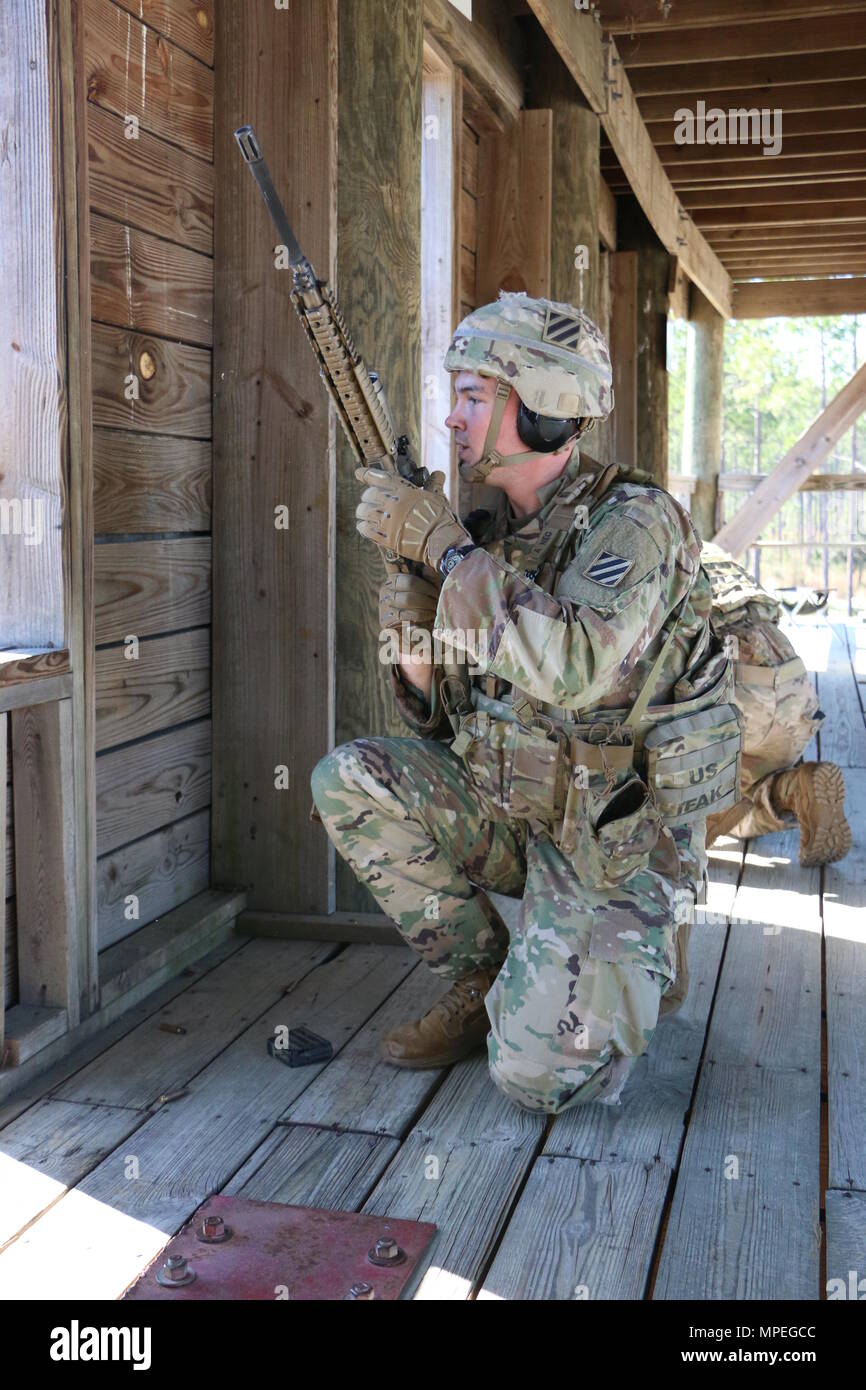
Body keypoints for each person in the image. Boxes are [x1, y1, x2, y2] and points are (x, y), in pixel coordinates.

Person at [311, 292, 740, 1114]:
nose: (453, 421)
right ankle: (480, 979)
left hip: (617, 839)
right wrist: (416, 647)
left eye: (474, 398)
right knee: (350, 778)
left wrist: (445, 550)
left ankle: (644, 937)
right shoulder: (490, 529)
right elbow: (440, 723)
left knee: (535, 1080)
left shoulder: (635, 523)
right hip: (517, 805)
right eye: (457, 398)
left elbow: (576, 663)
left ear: (542, 409)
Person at [702, 542, 851, 866]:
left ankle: (700, 819)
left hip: (741, 697)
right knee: (749, 785)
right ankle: (794, 787)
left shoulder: (659, 558)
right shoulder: (712, 551)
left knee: (694, 805)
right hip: (796, 696)